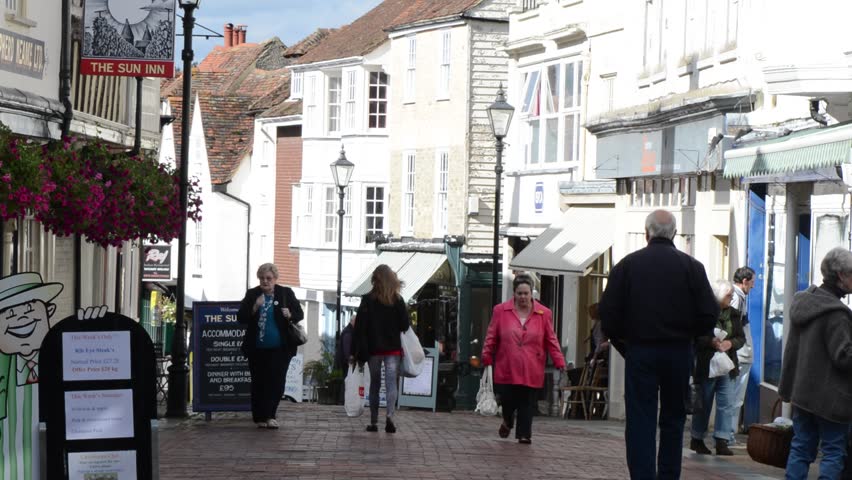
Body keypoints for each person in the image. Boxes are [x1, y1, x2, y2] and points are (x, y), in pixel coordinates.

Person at [599, 209, 718, 480]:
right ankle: (668, 475)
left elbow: (608, 314)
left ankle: (642, 475)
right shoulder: (692, 267)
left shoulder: (628, 266)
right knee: (674, 420)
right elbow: (709, 314)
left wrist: (625, 345)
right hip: (678, 351)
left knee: (641, 419)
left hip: (641, 350)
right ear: (674, 233)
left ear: (646, 233)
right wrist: (692, 338)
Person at [779, 247, 852, 479]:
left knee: (801, 448)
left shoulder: (803, 302)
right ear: (841, 276)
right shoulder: (837, 314)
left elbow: (792, 351)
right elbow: (844, 357)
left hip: (803, 394)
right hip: (832, 399)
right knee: (833, 452)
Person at [481, 273, 566, 444]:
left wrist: (559, 360)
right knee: (507, 399)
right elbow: (491, 335)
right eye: (519, 293)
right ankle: (508, 420)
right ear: (514, 293)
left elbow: (551, 339)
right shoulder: (500, 311)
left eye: (526, 293)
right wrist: (487, 354)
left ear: (532, 293)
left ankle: (524, 434)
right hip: (507, 364)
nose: (523, 297)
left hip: (531, 365)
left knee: (527, 401)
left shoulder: (544, 313)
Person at [238, 263, 304, 429]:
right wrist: (255, 306)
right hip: (257, 348)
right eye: (262, 278)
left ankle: (270, 415)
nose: (265, 281)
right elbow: (241, 317)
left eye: (268, 278)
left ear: (275, 279)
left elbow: (299, 313)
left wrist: (290, 314)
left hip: (281, 348)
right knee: (259, 382)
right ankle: (259, 417)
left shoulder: (285, 293)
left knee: (276, 381)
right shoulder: (253, 294)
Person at [689, 279, 745, 456]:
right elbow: (695, 337)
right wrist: (710, 342)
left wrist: (730, 343)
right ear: (719, 296)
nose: (732, 297)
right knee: (704, 403)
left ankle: (722, 441)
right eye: (729, 295)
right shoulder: (704, 313)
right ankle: (697, 439)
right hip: (707, 364)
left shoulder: (734, 314)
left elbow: (740, 337)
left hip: (727, 365)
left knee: (727, 403)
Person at [353, 264, 411, 434]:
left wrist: (355, 351)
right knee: (392, 384)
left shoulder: (367, 300)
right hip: (392, 349)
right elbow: (405, 325)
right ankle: (390, 417)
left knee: (375, 385)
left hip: (374, 350)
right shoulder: (398, 300)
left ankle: (373, 421)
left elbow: (360, 328)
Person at [729, 266, 755, 442]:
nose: (753, 286)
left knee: (734, 395)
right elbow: (736, 327)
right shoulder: (737, 298)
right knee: (735, 395)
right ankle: (728, 434)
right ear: (744, 281)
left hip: (741, 352)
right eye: (752, 282)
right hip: (740, 353)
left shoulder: (738, 297)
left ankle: (728, 433)